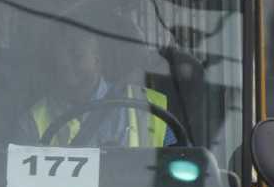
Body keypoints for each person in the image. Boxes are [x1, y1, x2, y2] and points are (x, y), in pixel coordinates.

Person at [17, 34, 173, 149]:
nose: (64, 63)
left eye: (76, 55)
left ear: (97, 61)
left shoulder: (152, 107)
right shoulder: (33, 119)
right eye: (58, 58)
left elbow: (177, 163)